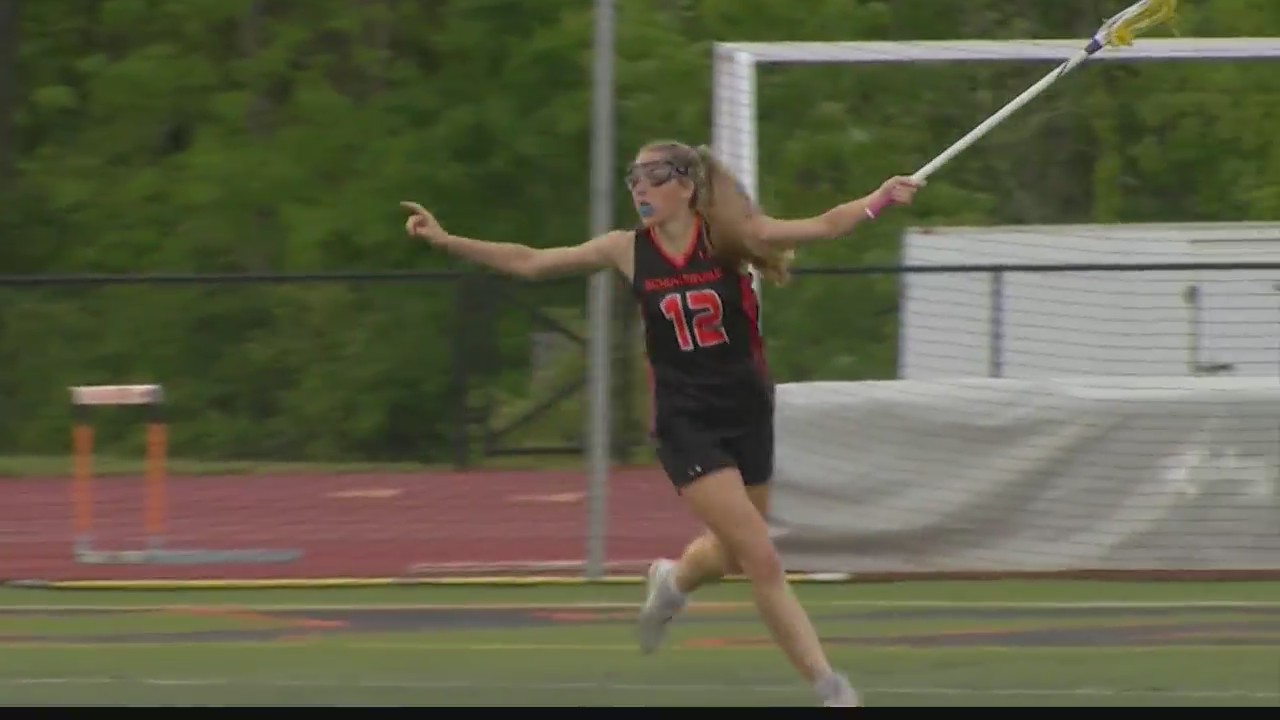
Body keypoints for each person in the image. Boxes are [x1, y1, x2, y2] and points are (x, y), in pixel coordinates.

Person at [401, 140, 921, 707]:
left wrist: (879, 200)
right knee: (761, 557)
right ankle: (831, 688)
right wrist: (448, 240)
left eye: (652, 176)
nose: (639, 188)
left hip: (747, 414)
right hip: (685, 422)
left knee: (729, 551)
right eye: (634, 178)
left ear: (686, 185)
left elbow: (824, 225)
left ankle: (671, 581)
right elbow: (531, 261)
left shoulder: (728, 237)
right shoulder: (626, 250)